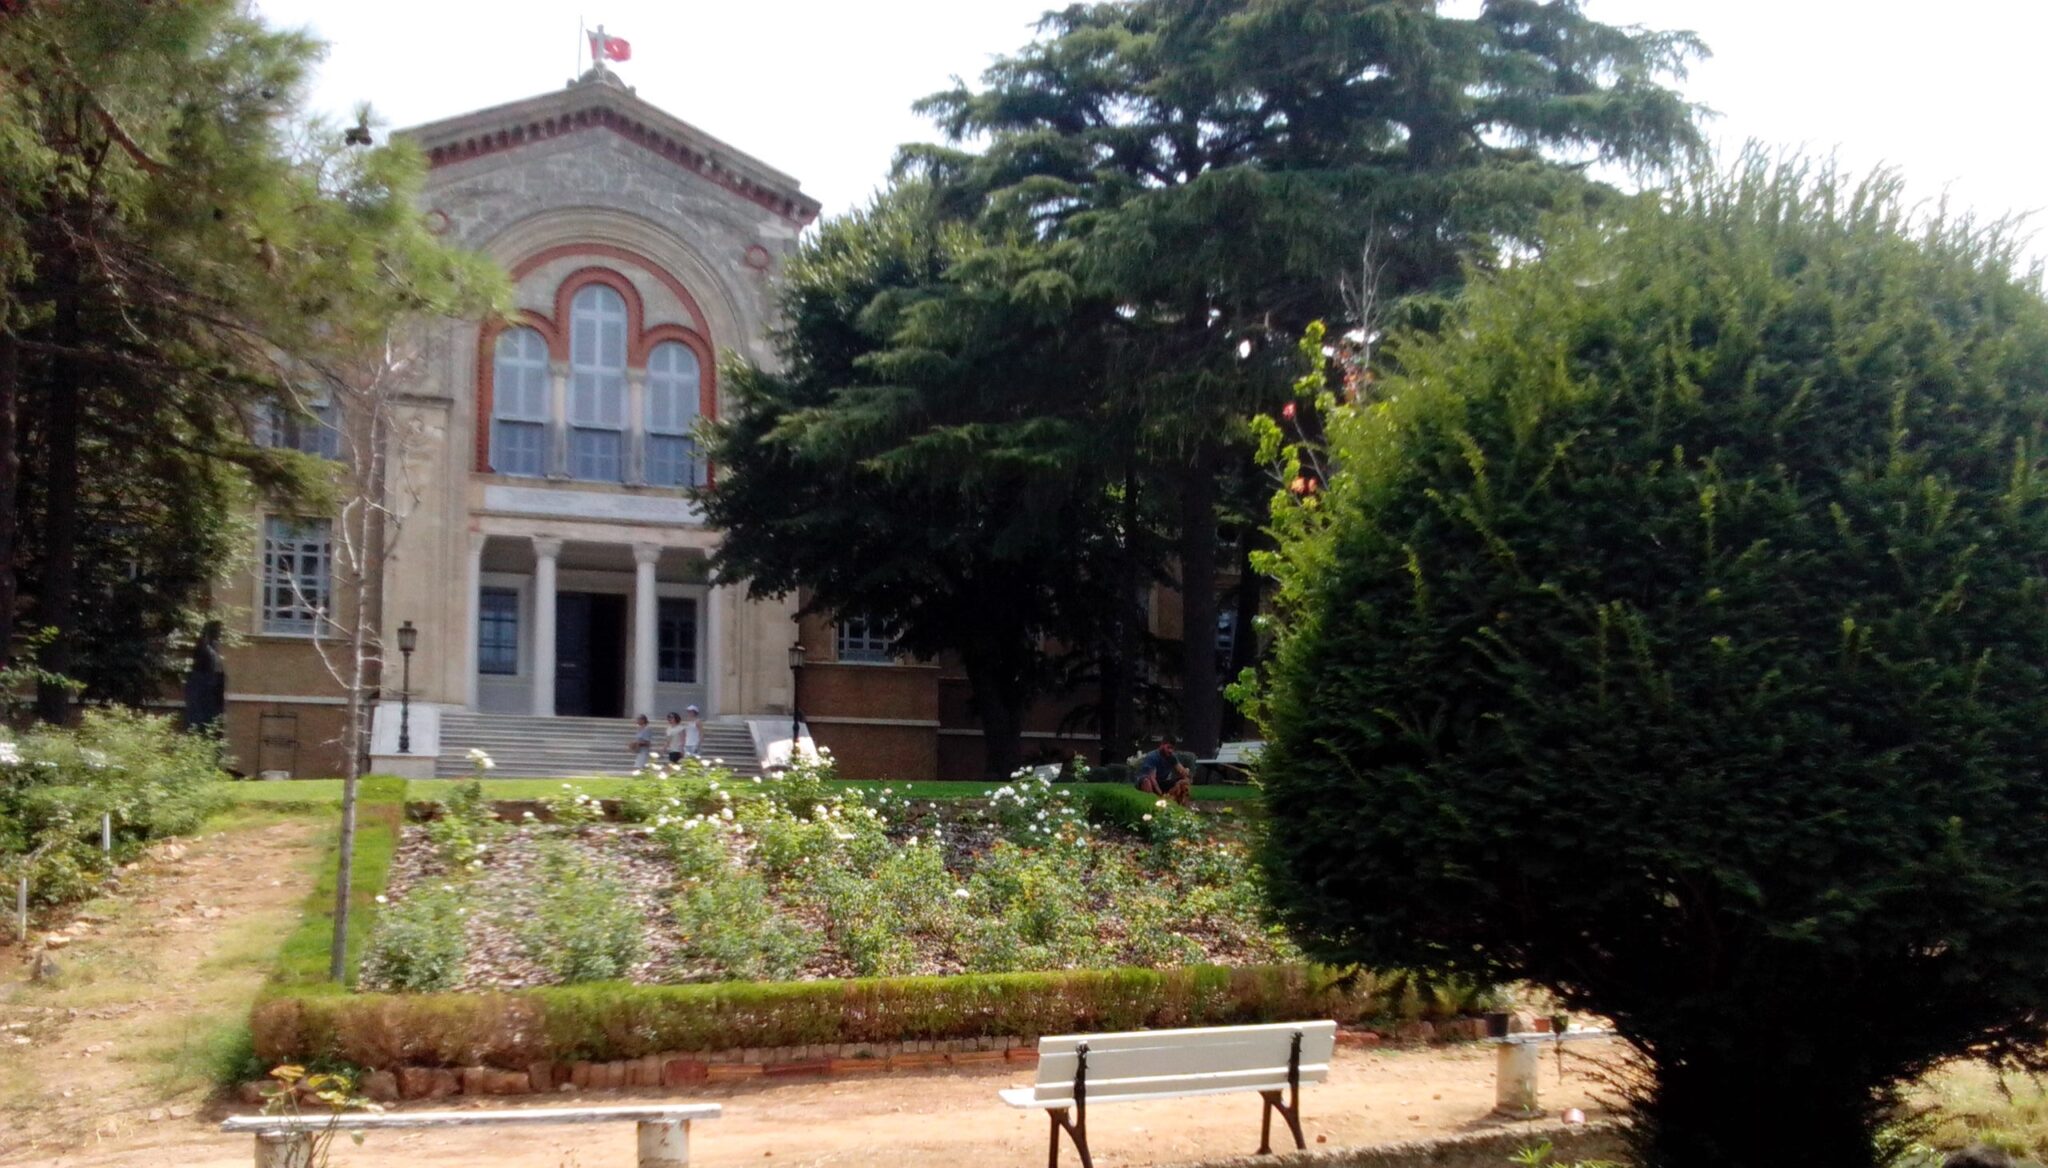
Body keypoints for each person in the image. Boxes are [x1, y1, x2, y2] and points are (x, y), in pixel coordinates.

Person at [1135, 736, 1192, 806]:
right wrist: (1161, 795)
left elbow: (1181, 770)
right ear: (1162, 745)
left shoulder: (1172, 757)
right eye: (1168, 747)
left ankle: (1180, 805)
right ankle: (1149, 804)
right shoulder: (1153, 756)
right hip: (1148, 781)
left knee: (1184, 782)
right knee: (1147, 781)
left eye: (1172, 748)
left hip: (1161, 782)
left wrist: (1185, 772)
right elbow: (1153, 779)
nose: (1170, 751)